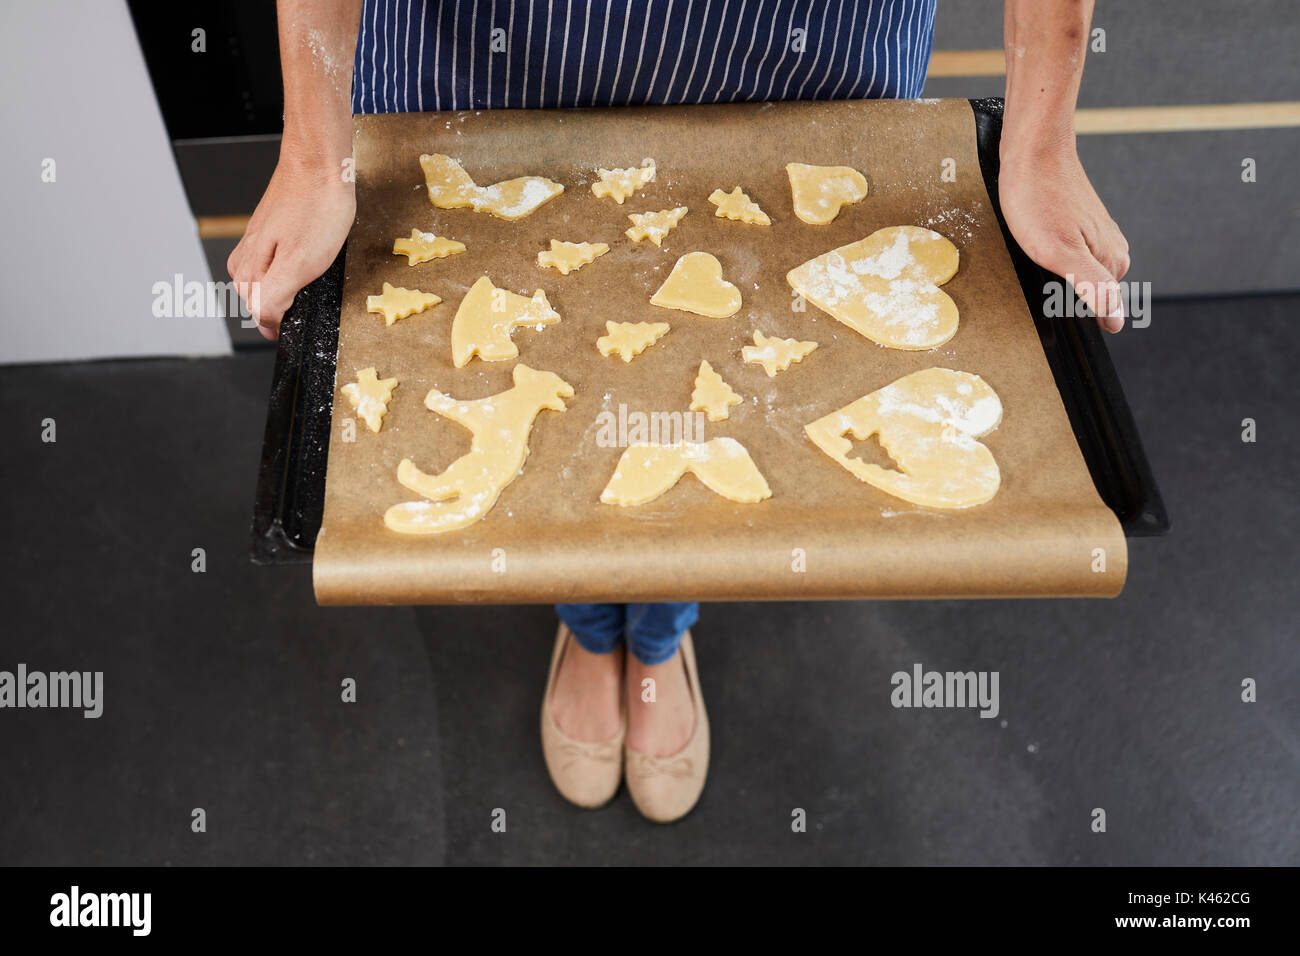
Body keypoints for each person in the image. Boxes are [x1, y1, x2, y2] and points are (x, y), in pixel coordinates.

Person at [230, 0, 1130, 823]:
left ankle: (656, 636)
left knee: (715, 395)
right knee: (557, 387)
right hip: (484, 43)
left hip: (799, 42)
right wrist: (315, 156)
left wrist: (1041, 143)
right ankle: (589, 626)